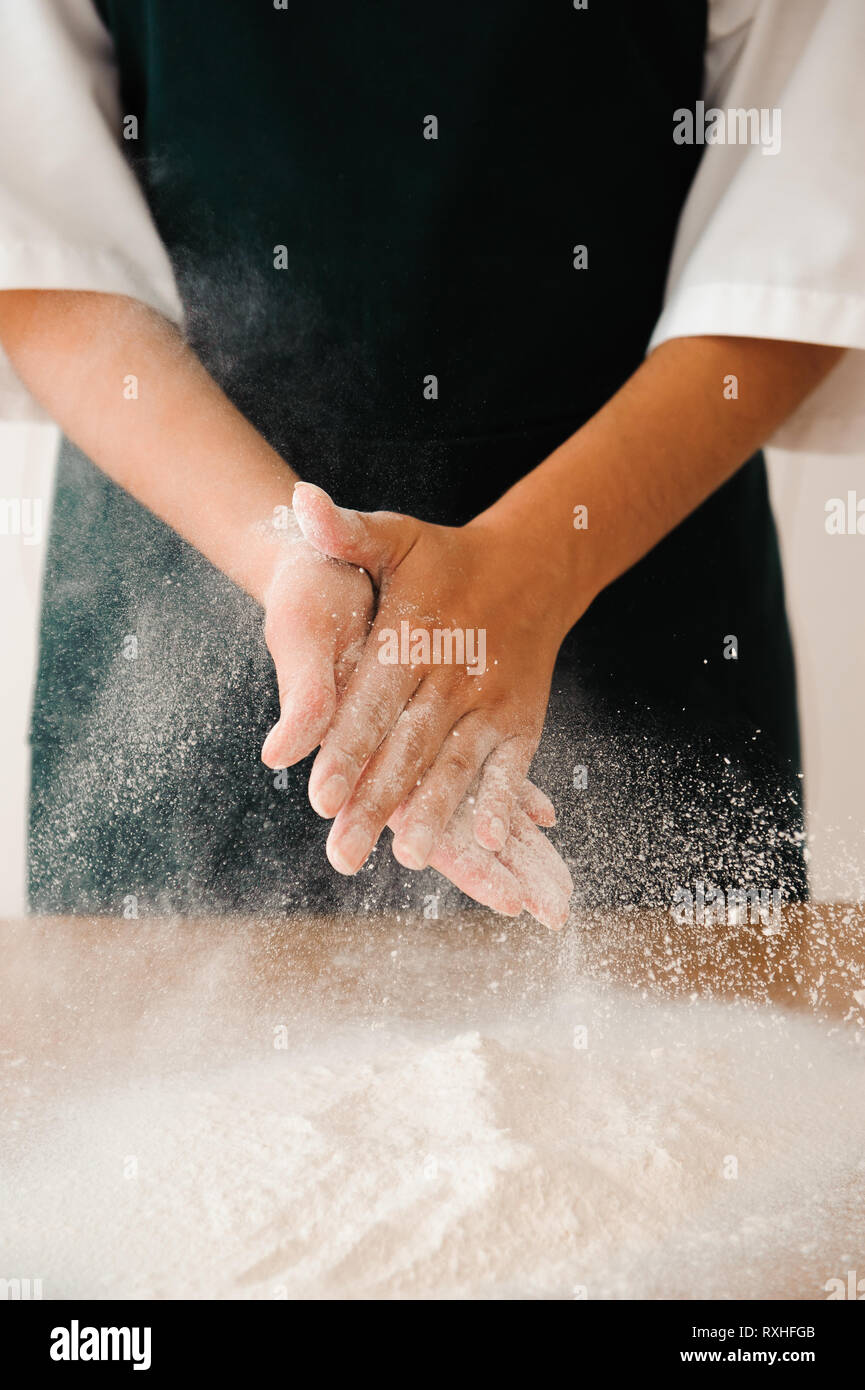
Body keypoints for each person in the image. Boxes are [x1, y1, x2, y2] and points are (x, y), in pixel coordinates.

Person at [1, 0, 863, 924]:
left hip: (626, 566)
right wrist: (289, 556)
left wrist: (536, 565)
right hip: (187, 562)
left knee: (677, 1059)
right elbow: (35, 230)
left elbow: (797, 233)